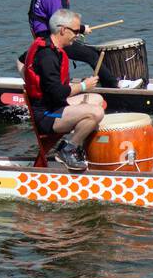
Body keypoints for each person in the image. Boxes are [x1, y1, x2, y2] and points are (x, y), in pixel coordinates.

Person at [18, 0, 136, 88]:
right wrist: (80, 29)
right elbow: (59, 21)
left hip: (48, 35)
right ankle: (114, 83)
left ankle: (25, 66)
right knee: (92, 54)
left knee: (30, 56)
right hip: (51, 37)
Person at [22, 10, 105, 171]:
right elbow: (58, 93)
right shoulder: (47, 56)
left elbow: (21, 63)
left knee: (98, 99)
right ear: (62, 30)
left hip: (54, 106)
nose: (78, 35)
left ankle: (77, 146)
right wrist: (82, 86)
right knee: (96, 113)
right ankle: (68, 149)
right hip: (47, 115)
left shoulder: (49, 45)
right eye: (75, 31)